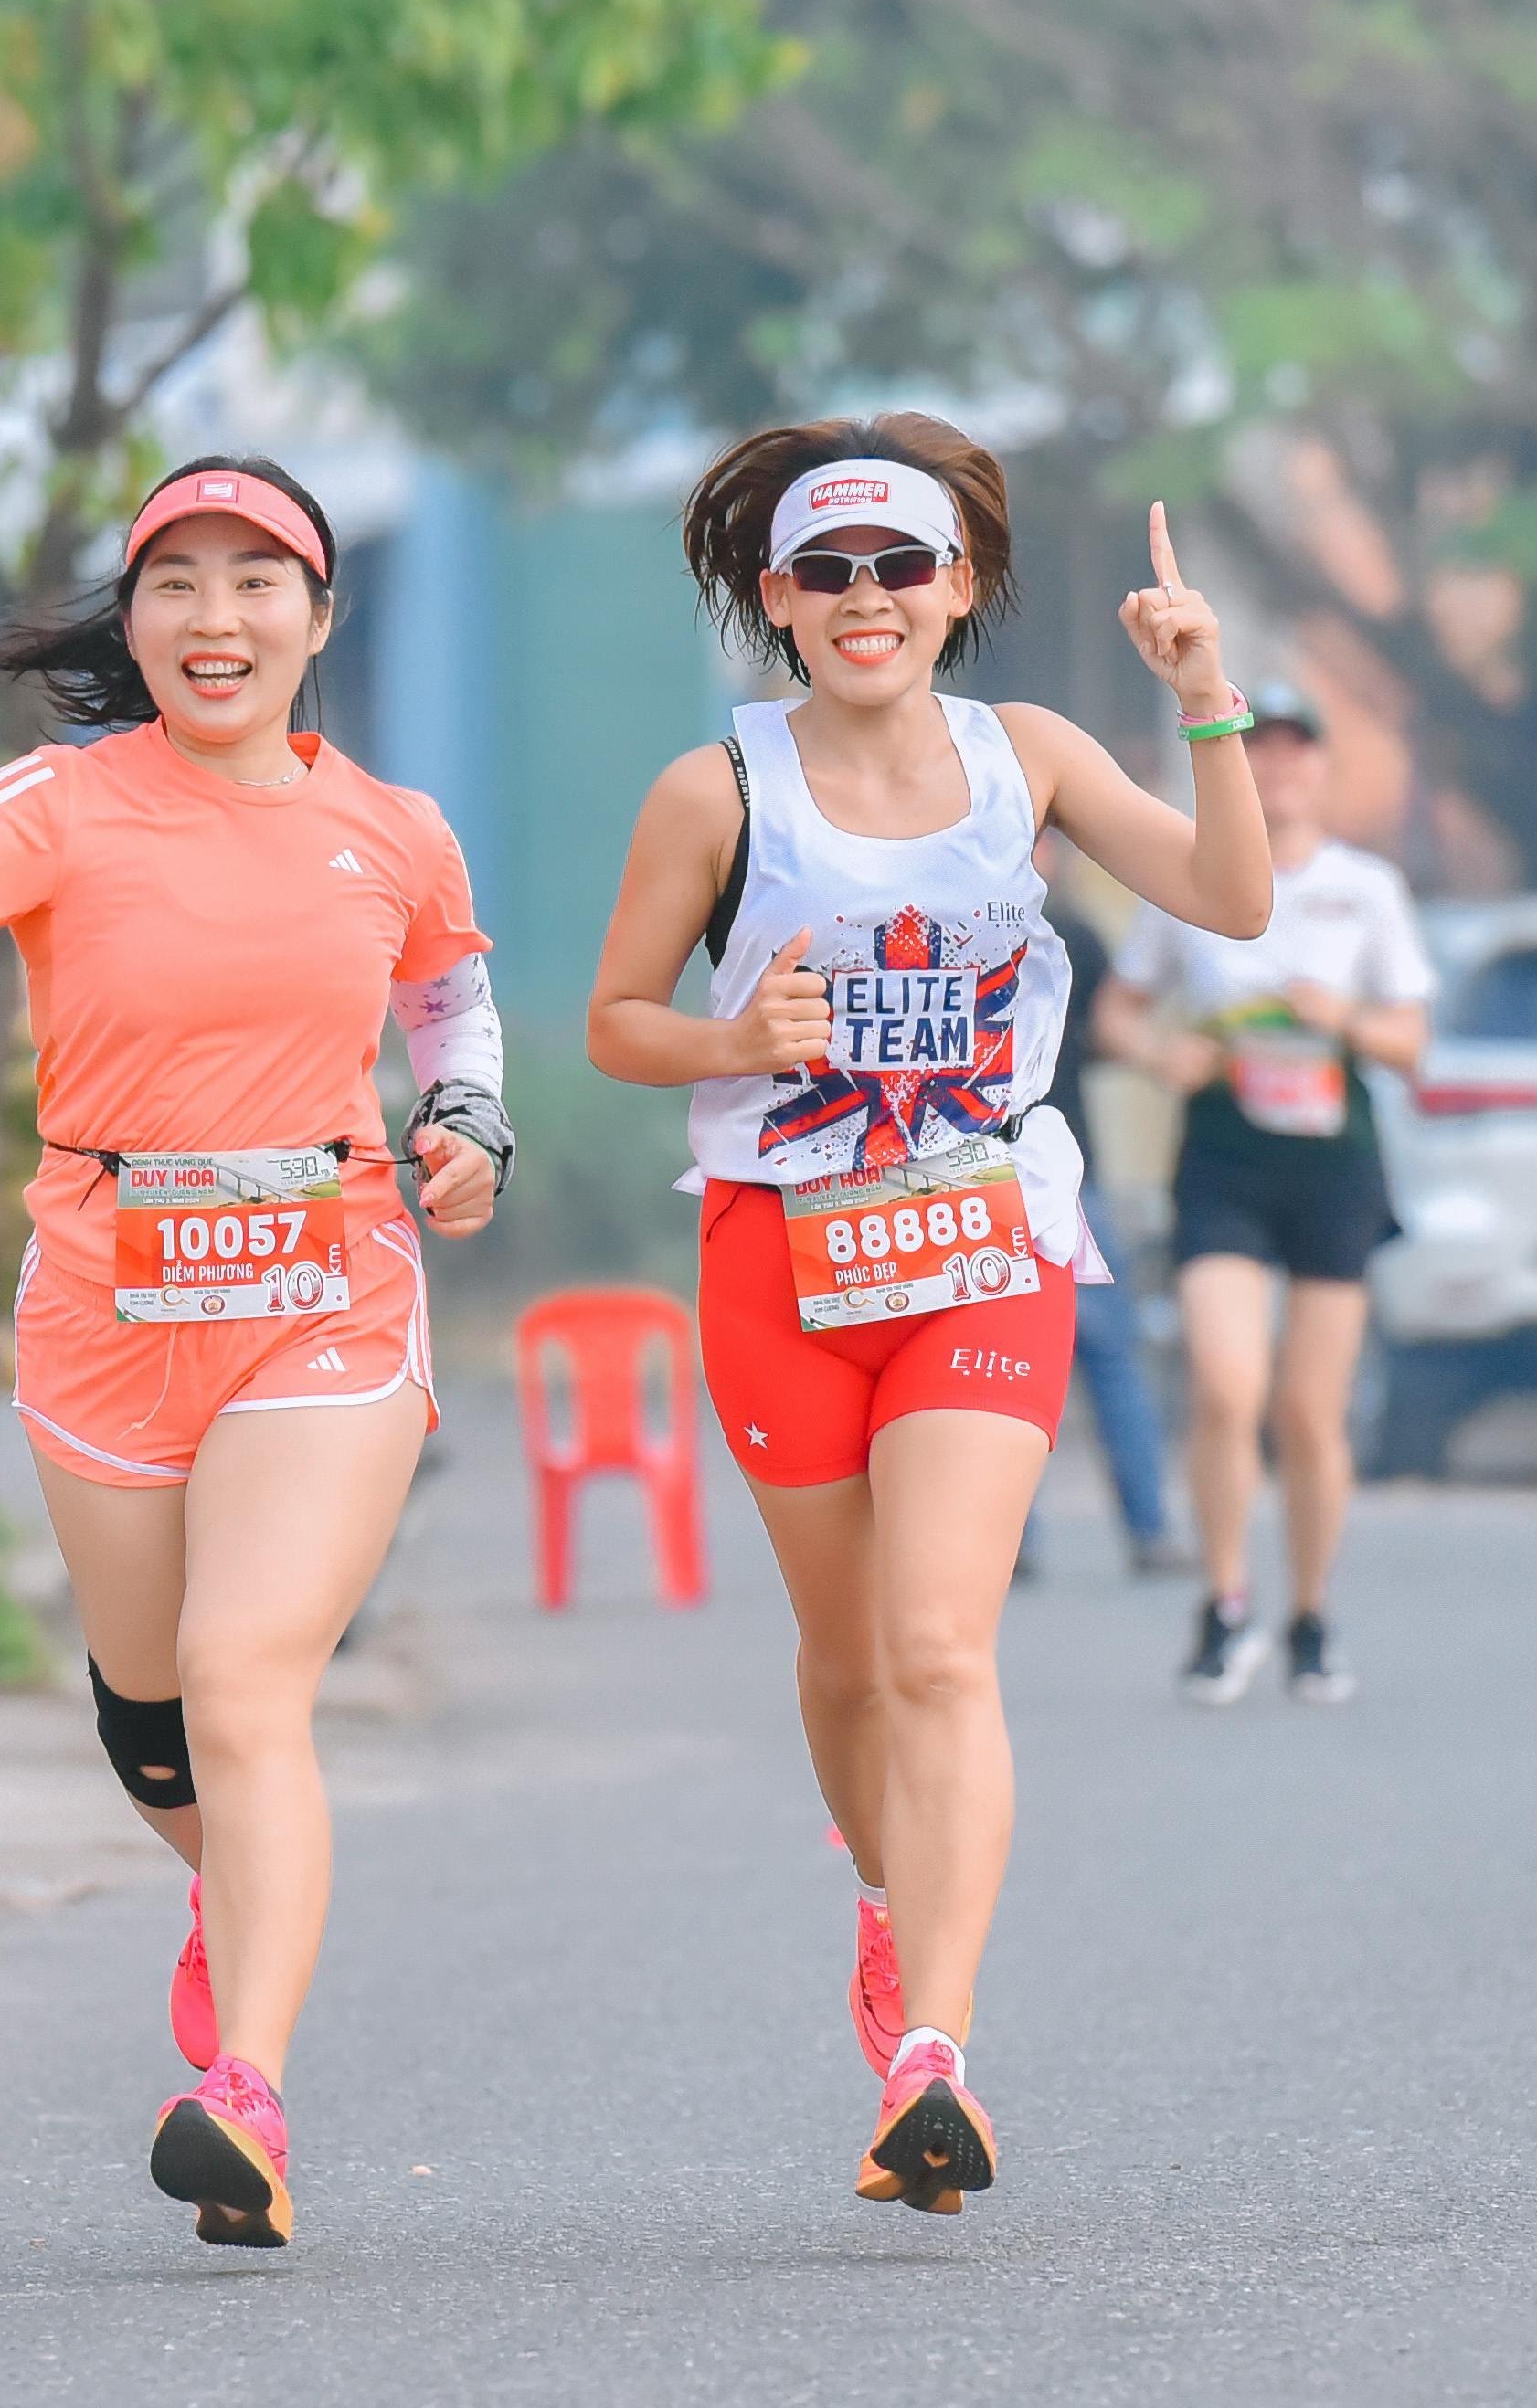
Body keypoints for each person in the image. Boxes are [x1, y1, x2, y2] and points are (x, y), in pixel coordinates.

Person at [0, 460, 508, 2255]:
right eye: (175, 584)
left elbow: (451, 990)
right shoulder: (66, 805)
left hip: (324, 1287)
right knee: (152, 1722)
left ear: (318, 621)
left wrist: (473, 1118)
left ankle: (242, 2098)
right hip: (106, 1300)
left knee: (243, 1675)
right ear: (138, 623)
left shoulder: (395, 826)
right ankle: (237, 1901)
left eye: (257, 583)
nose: (215, 618)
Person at [586, 417, 1268, 2215]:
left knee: (946, 1645)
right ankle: (890, 1917)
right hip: (782, 1261)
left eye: (903, 566)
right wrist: (737, 1042)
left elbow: (1232, 897)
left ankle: (932, 2058)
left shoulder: (1027, 757)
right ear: (777, 602)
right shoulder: (713, 793)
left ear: (959, 588)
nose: (868, 599)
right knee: (849, 1661)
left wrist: (1207, 697)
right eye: (830, 571)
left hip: (983, 1242)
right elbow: (615, 1021)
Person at [1095, 680, 1433, 1708]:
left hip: (1332, 1157)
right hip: (1226, 1158)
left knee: (1307, 1411)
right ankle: (1226, 1600)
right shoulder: (1192, 879)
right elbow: (1118, 1015)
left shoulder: (1365, 890)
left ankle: (1312, 1615)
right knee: (1226, 1384)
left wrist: (1341, 1019)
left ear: (1324, 767)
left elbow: (1412, 1042)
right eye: (1259, 750)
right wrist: (1168, 1055)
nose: (1278, 768)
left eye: (1294, 750)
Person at [1028, 833, 1185, 1581]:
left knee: (1052, 1358)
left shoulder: (1072, 937)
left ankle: (1143, 1527)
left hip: (1057, 1179)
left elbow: (1107, 1030)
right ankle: (1143, 1531)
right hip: (1016, 1177)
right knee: (1012, 1363)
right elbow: (1105, 1037)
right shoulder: (1071, 934)